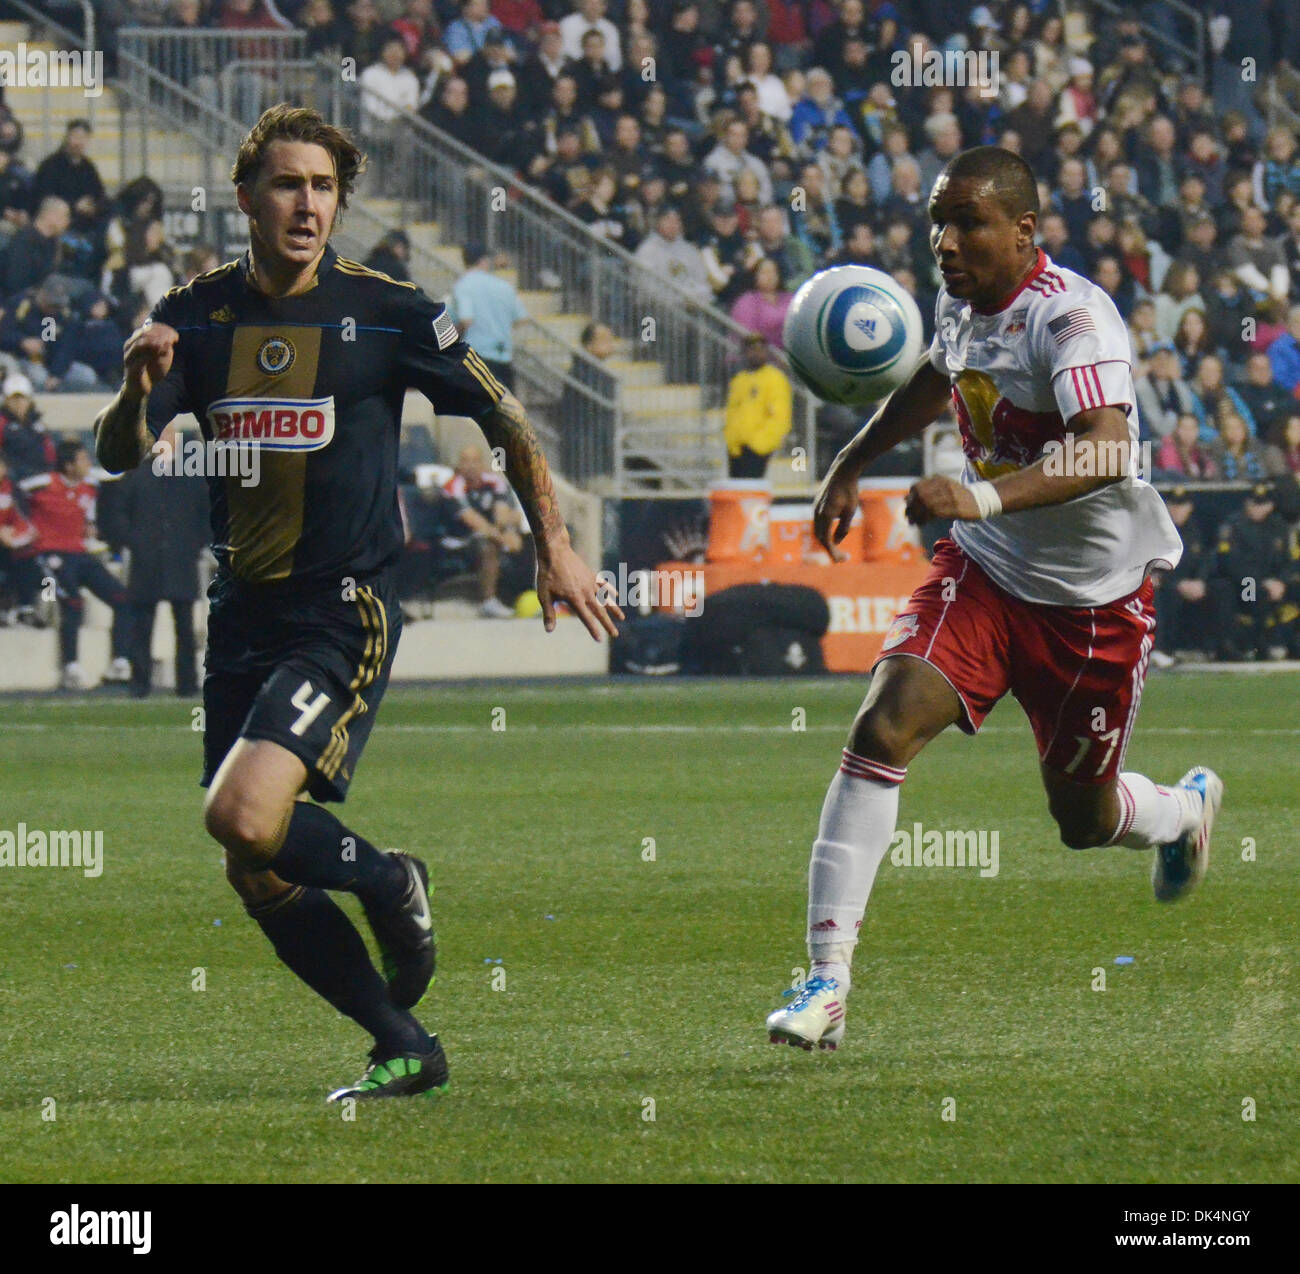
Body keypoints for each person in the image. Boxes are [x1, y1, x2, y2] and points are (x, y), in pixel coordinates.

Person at [92, 104, 620, 1102]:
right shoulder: (196, 315)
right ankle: (401, 1042)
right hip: (241, 612)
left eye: (324, 187)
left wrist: (554, 544)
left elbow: (504, 416)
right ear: (246, 199)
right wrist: (133, 389)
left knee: (243, 815)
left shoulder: (390, 313)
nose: (307, 204)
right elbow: (121, 454)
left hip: (343, 607)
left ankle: (386, 879)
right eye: (287, 185)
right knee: (250, 859)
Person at [765, 146, 1221, 1052]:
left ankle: (1182, 812)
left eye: (968, 222)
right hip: (983, 570)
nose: (946, 241)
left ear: (1024, 229)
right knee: (880, 731)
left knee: (1082, 823)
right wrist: (851, 463)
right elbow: (937, 377)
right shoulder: (961, 300)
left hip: (1092, 604)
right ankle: (825, 984)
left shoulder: (1076, 319)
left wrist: (972, 494)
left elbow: (1105, 451)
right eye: (940, 221)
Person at [18, 438, 131, 689]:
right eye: (82, 459)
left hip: (79, 553)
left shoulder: (88, 486)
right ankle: (71, 665)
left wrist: (90, 527)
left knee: (122, 599)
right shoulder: (44, 483)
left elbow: (93, 506)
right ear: (68, 465)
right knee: (72, 602)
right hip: (50, 554)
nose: (87, 463)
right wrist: (23, 527)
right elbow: (14, 491)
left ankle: (120, 661)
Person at [441, 444, 534, 616]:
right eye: (465, 461)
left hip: (493, 533)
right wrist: (503, 537)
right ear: (459, 466)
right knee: (488, 542)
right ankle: (487, 602)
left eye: (475, 461)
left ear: (483, 464)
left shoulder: (494, 482)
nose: (470, 466)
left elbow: (504, 514)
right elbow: (473, 521)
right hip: (460, 539)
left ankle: (528, 594)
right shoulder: (452, 487)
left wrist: (509, 531)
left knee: (531, 541)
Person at [1150, 487, 1216, 666]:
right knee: (1158, 596)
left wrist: (1200, 581)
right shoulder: (1154, 530)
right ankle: (1160, 649)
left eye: (1182, 505)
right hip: (1165, 585)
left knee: (1220, 590)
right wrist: (1176, 583)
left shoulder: (1197, 530)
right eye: (1174, 505)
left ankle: (1213, 648)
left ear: (1190, 507)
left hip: (1191, 584)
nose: (1178, 510)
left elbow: (1206, 560)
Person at [448, 243, 529, 390]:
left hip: (478, 358)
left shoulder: (463, 285)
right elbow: (521, 319)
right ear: (484, 260)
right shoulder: (504, 286)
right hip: (503, 357)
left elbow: (466, 320)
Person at [724, 333, 792, 478]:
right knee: (737, 492)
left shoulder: (775, 378)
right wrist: (731, 441)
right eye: (751, 350)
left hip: (758, 448)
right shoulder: (739, 380)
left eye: (760, 349)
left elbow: (779, 416)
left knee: (752, 491)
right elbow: (732, 412)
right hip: (736, 449)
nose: (756, 353)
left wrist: (760, 444)